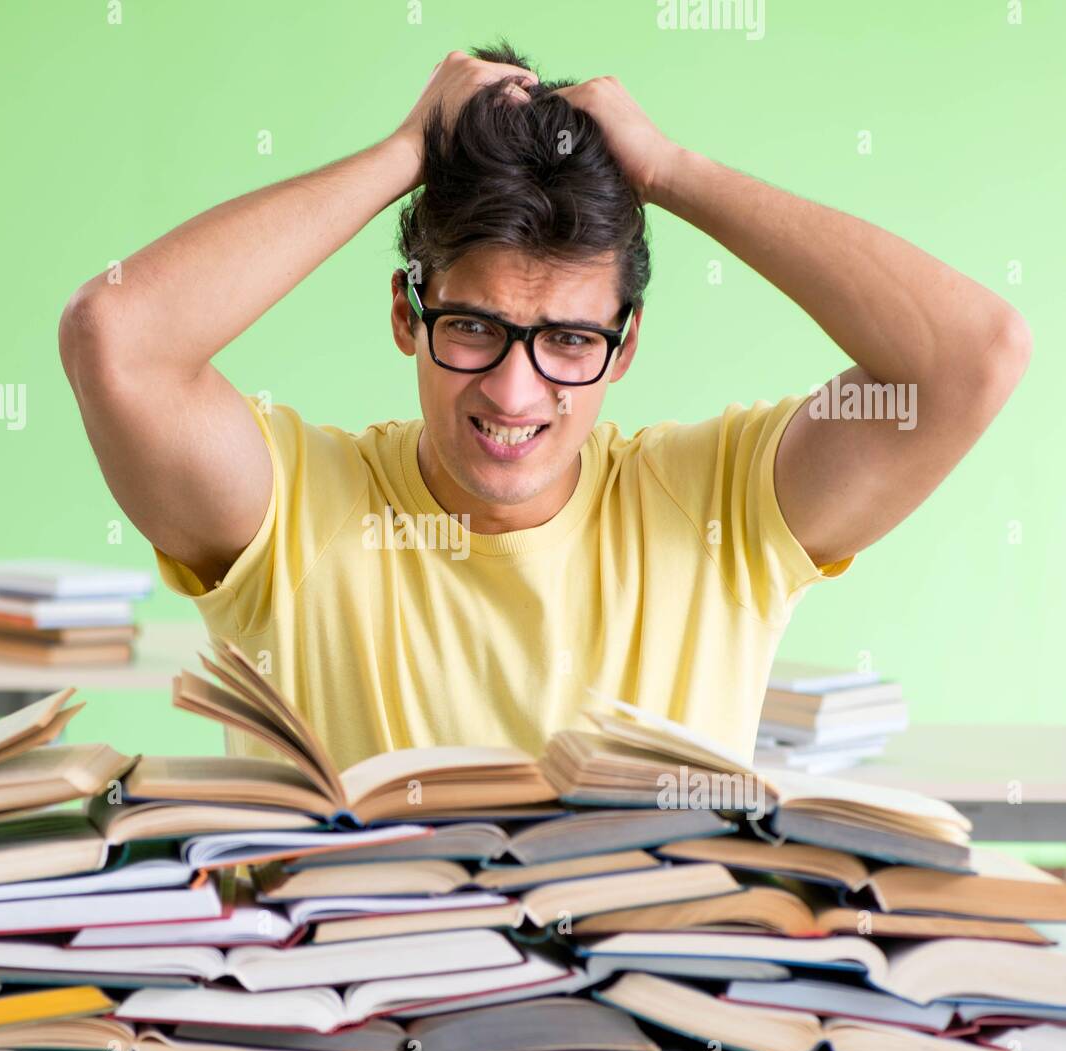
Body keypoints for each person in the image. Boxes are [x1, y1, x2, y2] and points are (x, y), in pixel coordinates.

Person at [59, 43, 1031, 769]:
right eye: (474, 328)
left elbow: (969, 357)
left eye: (568, 340)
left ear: (626, 347)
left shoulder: (723, 507)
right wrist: (406, 150)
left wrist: (671, 170)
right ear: (406, 311)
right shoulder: (292, 509)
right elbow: (117, 339)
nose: (514, 394)